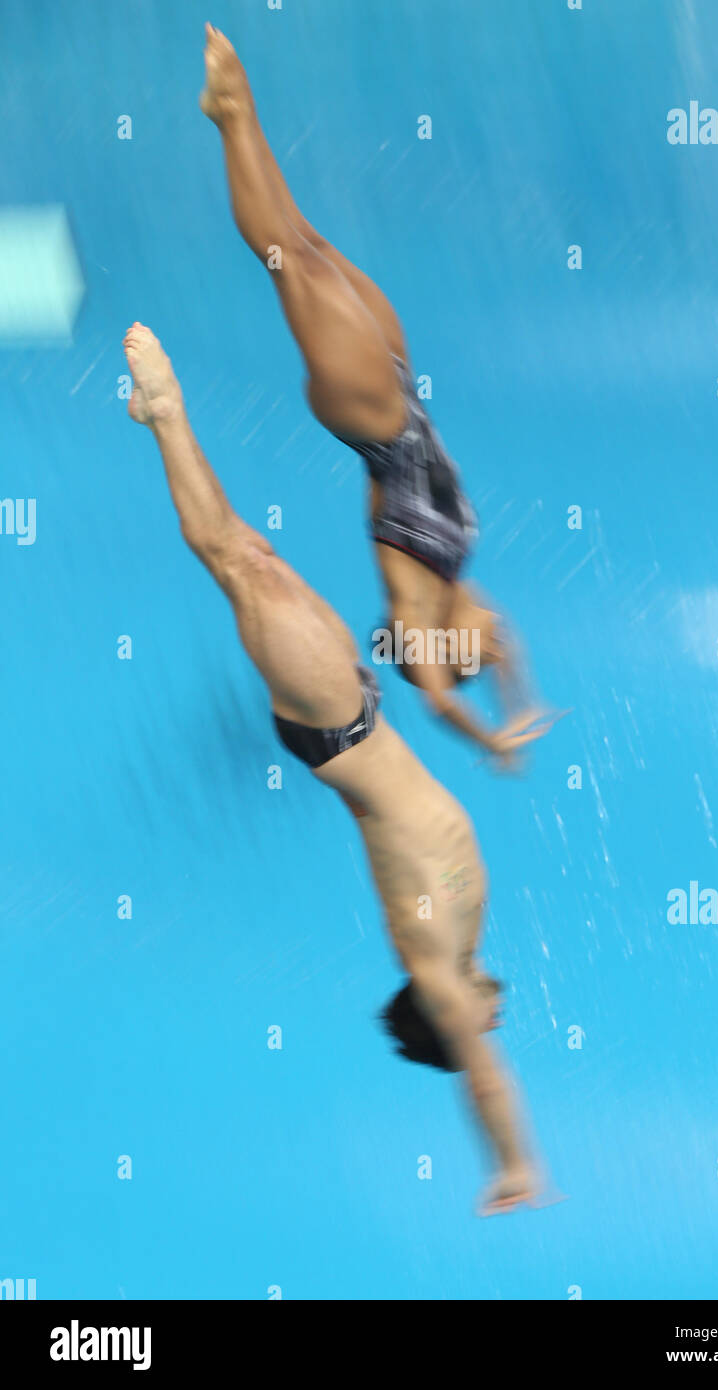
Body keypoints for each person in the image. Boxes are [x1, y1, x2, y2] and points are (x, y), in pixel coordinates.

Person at [122, 320, 546, 1214]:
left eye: (473, 1032)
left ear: (446, 1020)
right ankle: (162, 416)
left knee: (236, 559)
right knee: (253, 559)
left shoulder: (433, 960)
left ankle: (162, 414)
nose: (493, 1027)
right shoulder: (456, 940)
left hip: (337, 724)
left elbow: (484, 1080)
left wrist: (512, 1165)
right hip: (351, 714)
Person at [199, 24, 560, 765]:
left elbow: (434, 697)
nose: (497, 635)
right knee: (308, 242)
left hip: (367, 414)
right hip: (397, 384)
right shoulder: (467, 592)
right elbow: (506, 651)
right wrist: (520, 703)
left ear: (450, 646)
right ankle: (242, 109)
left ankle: (229, 111)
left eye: (482, 648)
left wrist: (490, 738)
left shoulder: (422, 611)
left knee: (289, 266)